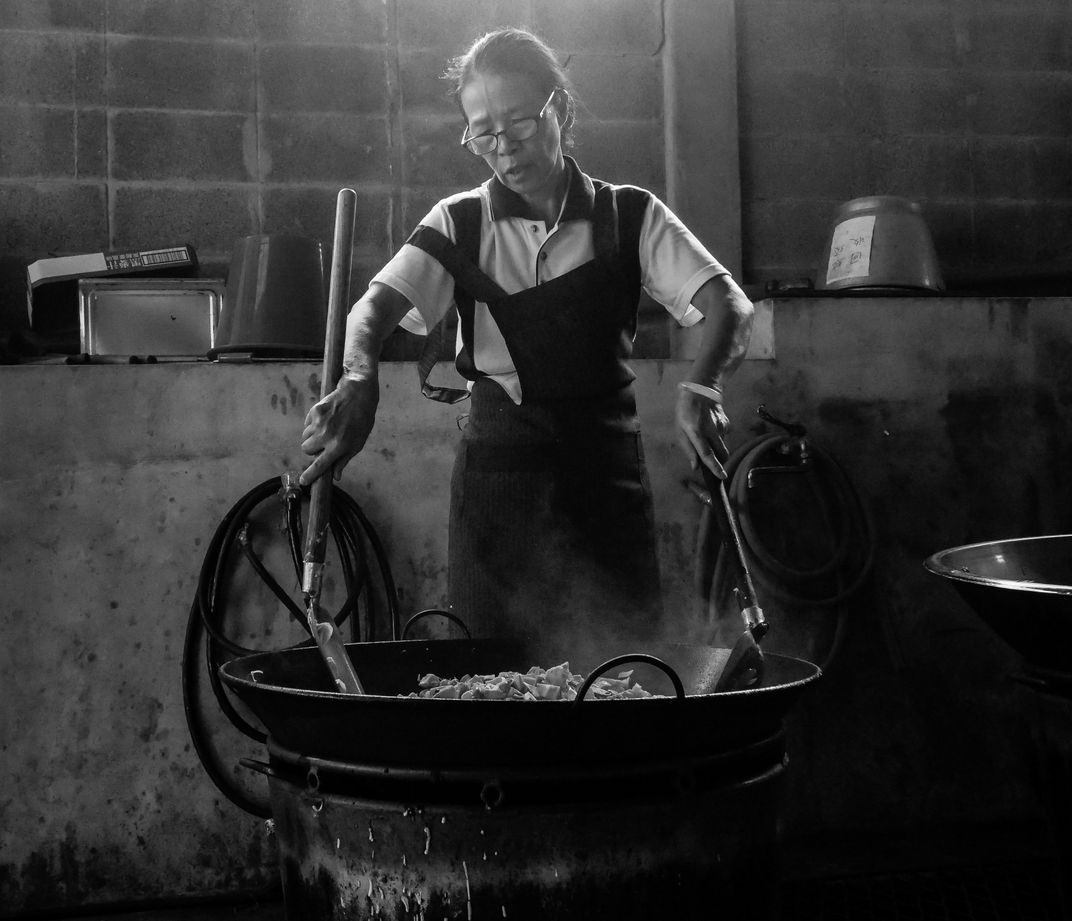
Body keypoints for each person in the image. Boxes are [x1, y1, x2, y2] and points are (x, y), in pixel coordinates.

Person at [300, 28, 753, 642]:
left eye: (517, 124)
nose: (502, 149)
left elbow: (728, 304)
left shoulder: (629, 216)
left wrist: (703, 389)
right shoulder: (458, 222)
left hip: (604, 481)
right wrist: (359, 375)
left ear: (559, 110)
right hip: (497, 487)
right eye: (482, 132)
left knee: (619, 678)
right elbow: (371, 311)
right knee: (493, 688)